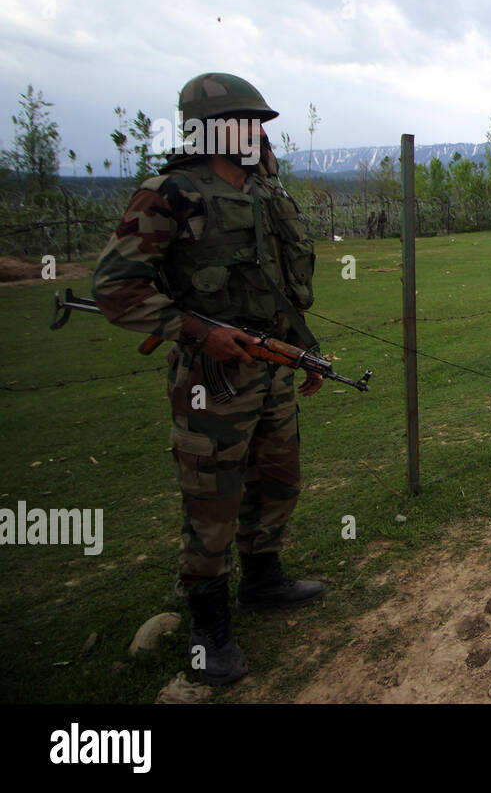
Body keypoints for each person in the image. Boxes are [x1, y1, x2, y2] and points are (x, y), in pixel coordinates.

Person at [92, 73, 324, 687]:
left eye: (260, 124)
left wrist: (302, 345)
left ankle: (265, 579)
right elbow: (115, 288)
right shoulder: (170, 193)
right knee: (211, 496)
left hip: (271, 363)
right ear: (213, 130)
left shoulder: (261, 191)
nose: (258, 133)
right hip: (210, 374)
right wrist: (195, 331)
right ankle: (208, 624)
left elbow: (275, 279)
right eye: (248, 122)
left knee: (278, 479)